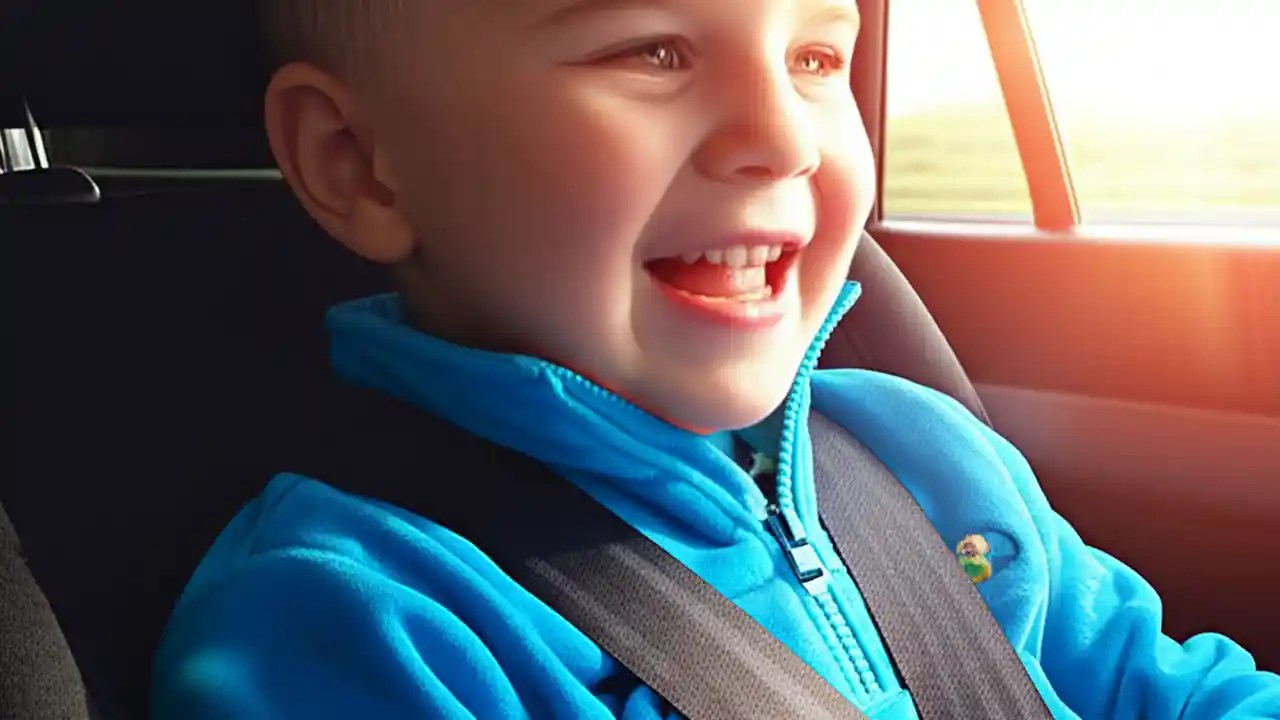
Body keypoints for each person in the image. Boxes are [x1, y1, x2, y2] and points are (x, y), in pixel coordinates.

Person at [150, 0, 1280, 717]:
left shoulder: (918, 453)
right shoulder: (365, 619)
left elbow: (1163, 688)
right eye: (655, 49)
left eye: (815, 54)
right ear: (360, 164)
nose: (784, 134)